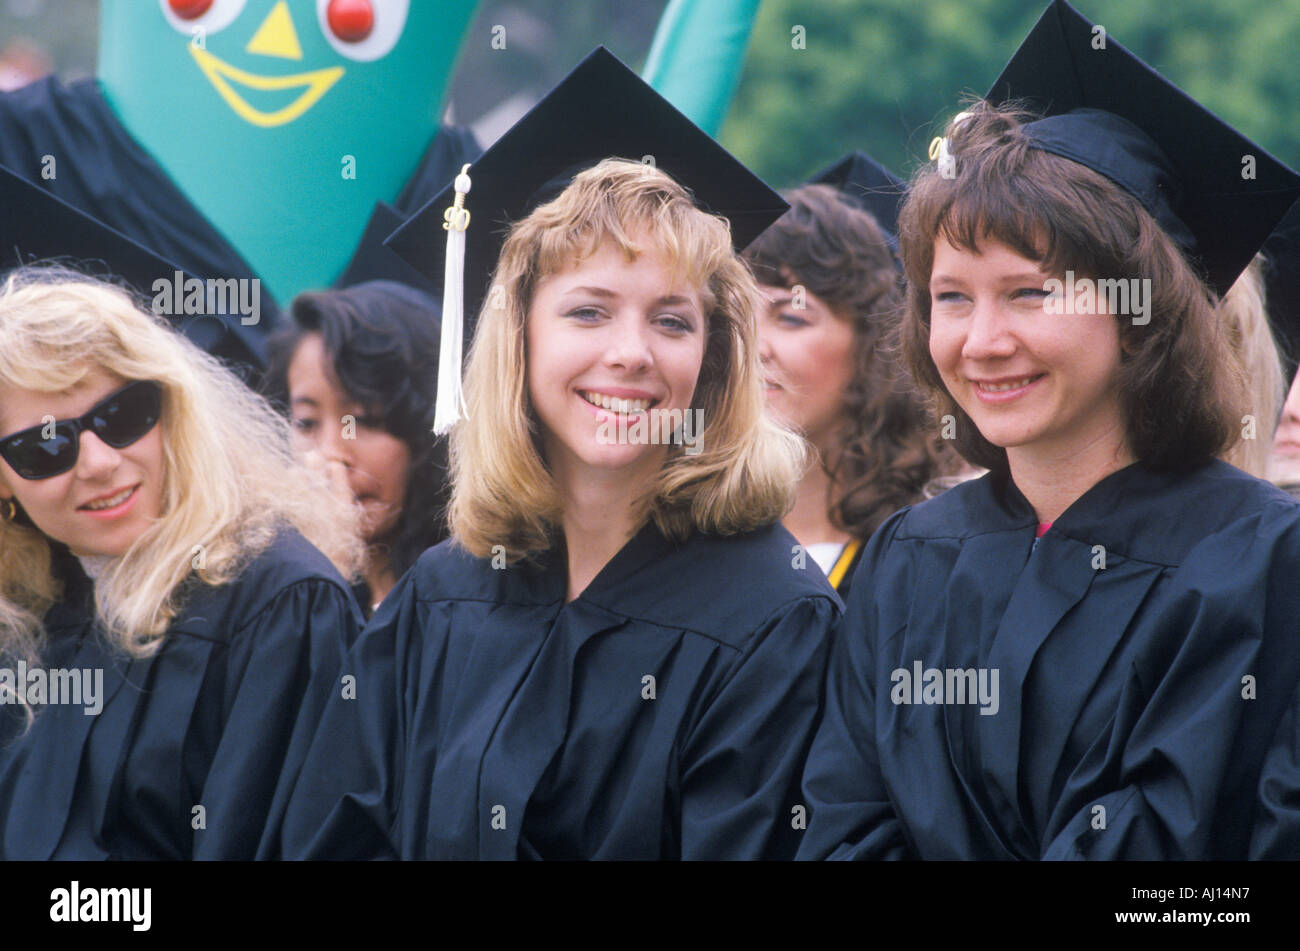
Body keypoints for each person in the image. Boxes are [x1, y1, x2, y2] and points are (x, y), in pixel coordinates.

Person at [270, 48, 838, 860]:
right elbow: (335, 835)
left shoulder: (775, 622)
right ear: (519, 337)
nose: (632, 352)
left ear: (712, 358)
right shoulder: (445, 592)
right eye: (589, 311)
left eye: (672, 320)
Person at [798, 0, 1300, 860]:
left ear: (1142, 314)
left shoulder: (1261, 563)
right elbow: (840, 827)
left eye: (1031, 293)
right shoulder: (909, 556)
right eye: (952, 297)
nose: (983, 341)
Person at [0, 266, 365, 859]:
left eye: (121, 416)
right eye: (45, 445)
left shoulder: (282, 604)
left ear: (173, 409)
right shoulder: (28, 616)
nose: (97, 462)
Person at [744, 166, 954, 595]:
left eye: (790, 317)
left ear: (873, 345)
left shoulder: (930, 560)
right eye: (735, 316)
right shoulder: (686, 539)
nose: (753, 346)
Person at [266, 281, 449, 616]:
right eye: (306, 422)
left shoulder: (478, 589)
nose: (332, 453)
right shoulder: (263, 587)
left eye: (364, 419)